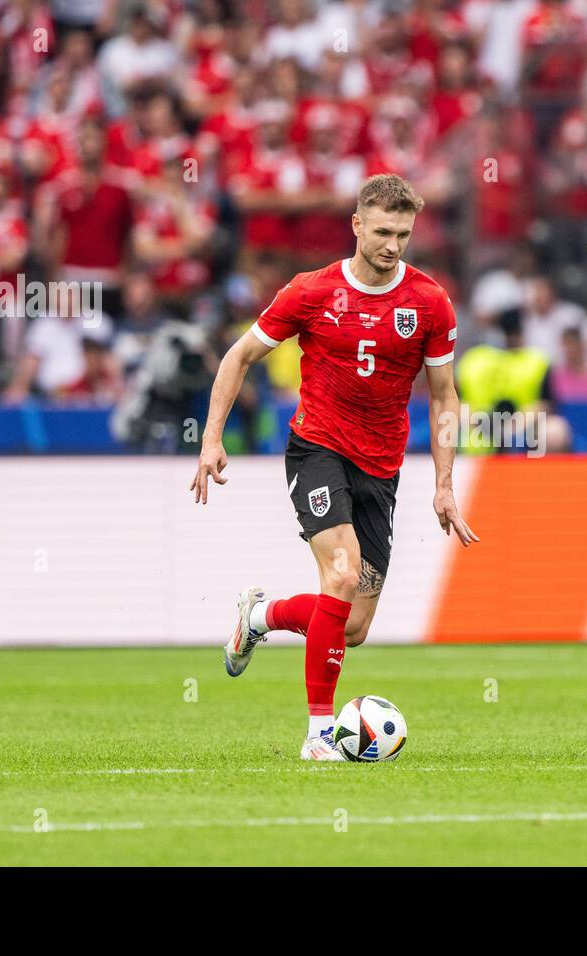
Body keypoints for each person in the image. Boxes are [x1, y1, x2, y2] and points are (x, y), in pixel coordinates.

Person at [190, 174, 478, 761]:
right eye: (381, 232)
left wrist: (445, 484)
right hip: (317, 449)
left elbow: (445, 395)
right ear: (356, 225)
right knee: (342, 576)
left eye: (402, 233)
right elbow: (239, 355)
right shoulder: (311, 291)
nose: (392, 244)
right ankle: (320, 733)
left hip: (382, 465)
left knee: (351, 625)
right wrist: (211, 439)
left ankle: (261, 616)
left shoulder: (429, 302)